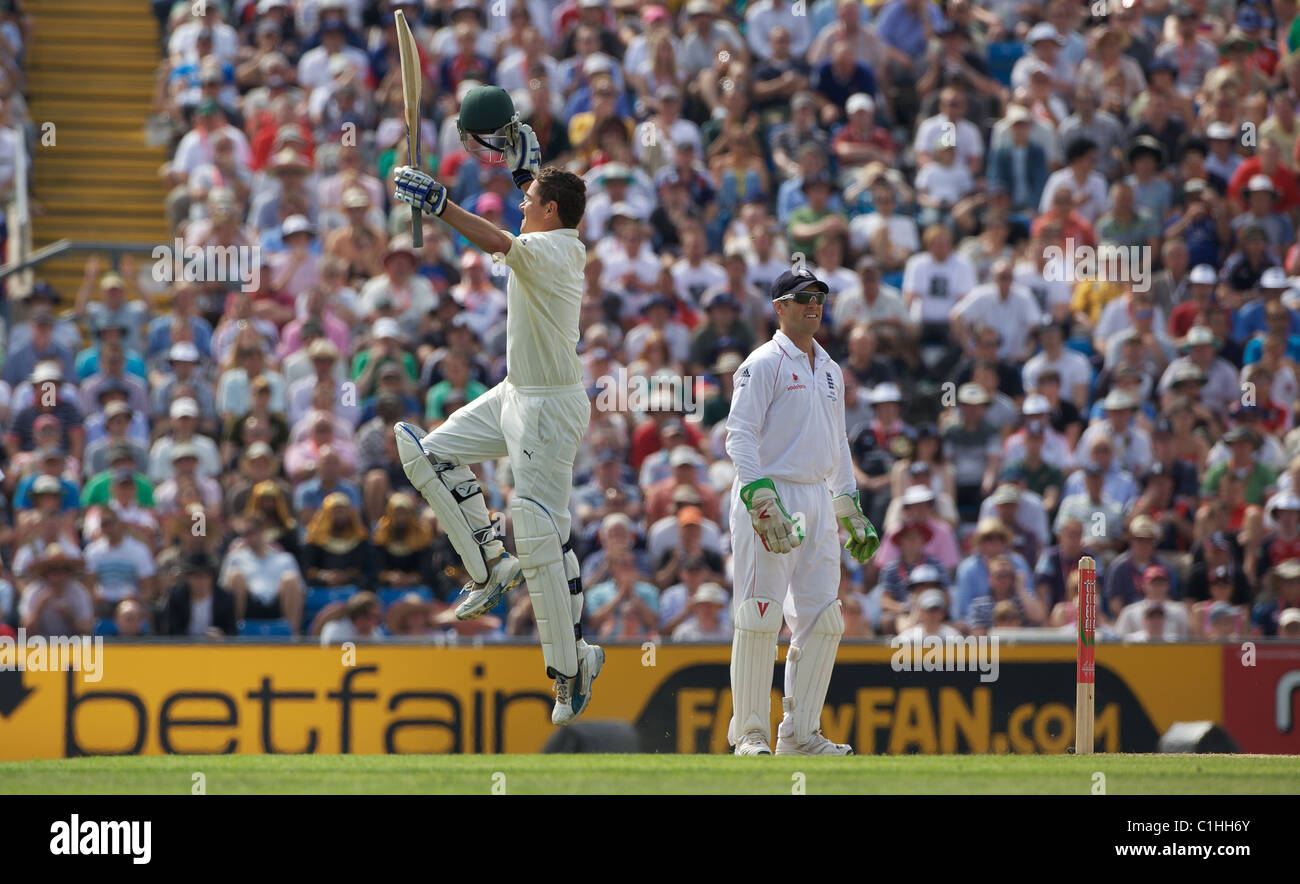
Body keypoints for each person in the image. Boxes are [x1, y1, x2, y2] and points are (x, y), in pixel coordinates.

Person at [391, 86, 602, 726]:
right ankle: (488, 564)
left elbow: (500, 242)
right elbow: (533, 204)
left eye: (528, 201)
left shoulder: (558, 249)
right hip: (515, 393)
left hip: (548, 408)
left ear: (551, 213)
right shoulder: (549, 226)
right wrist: (526, 167)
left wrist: (441, 202)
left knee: (539, 529)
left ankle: (571, 670)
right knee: (425, 452)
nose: (520, 204)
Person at [725, 267, 878, 756]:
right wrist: (758, 496)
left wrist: (847, 502)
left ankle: (801, 735)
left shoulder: (831, 370)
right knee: (760, 615)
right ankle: (749, 735)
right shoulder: (762, 363)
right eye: (803, 298)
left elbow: (836, 441)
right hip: (771, 494)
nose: (813, 305)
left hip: (816, 497)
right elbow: (740, 435)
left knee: (824, 618)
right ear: (780, 307)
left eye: (819, 298)